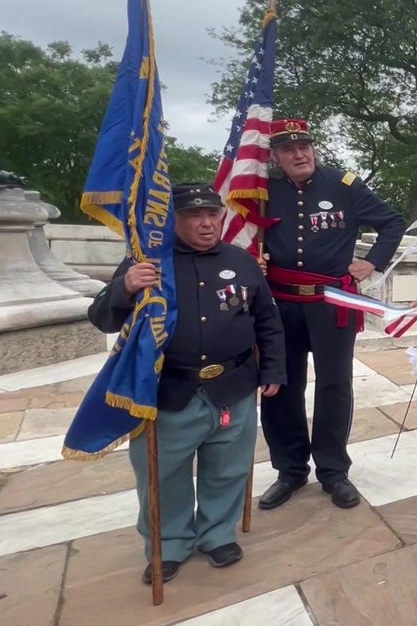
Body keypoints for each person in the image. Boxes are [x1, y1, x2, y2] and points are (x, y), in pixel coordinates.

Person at [87, 184, 285, 584]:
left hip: (233, 386)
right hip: (168, 392)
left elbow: (266, 319)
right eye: (195, 216)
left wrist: (275, 370)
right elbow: (102, 318)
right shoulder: (146, 262)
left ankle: (217, 534)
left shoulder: (241, 262)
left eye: (212, 215)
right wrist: (125, 288)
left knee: (228, 468)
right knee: (163, 474)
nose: (207, 223)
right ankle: (171, 543)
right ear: (173, 219)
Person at [257, 118, 406, 511]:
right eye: (288, 149)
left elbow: (393, 222)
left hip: (330, 305)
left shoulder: (344, 185)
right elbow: (241, 230)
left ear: (313, 149)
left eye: (304, 146)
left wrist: (372, 262)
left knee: (334, 386)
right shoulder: (263, 190)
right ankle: (289, 470)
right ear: (276, 156)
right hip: (280, 303)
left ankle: (333, 470)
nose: (298, 154)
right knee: (281, 385)